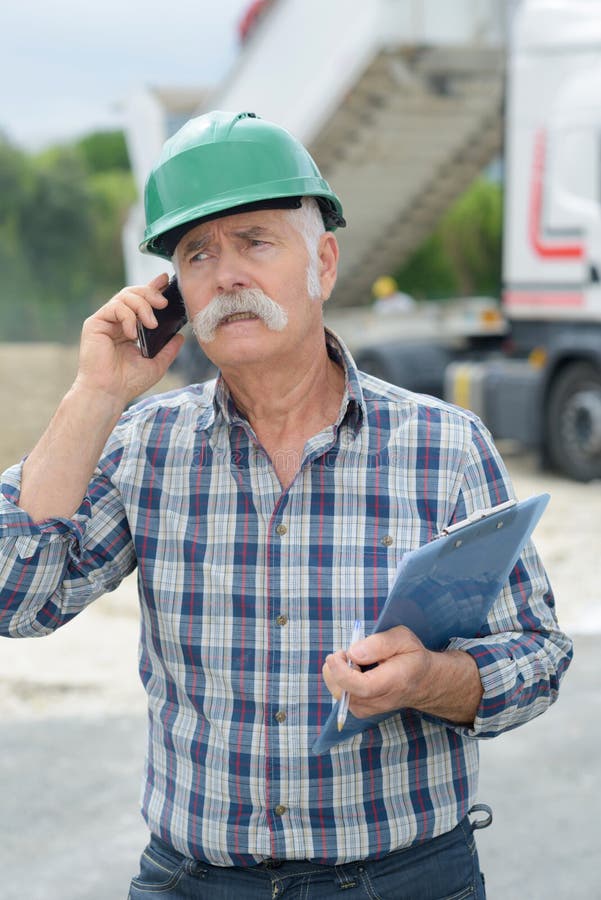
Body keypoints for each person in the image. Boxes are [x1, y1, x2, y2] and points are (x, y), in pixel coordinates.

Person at [0, 110, 572, 899]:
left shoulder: (444, 444)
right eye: (197, 253)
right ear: (172, 293)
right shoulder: (143, 443)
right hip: (194, 882)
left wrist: (427, 679)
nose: (227, 274)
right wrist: (95, 392)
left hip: (403, 880)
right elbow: (14, 598)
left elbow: (538, 655)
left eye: (255, 242)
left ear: (323, 263)